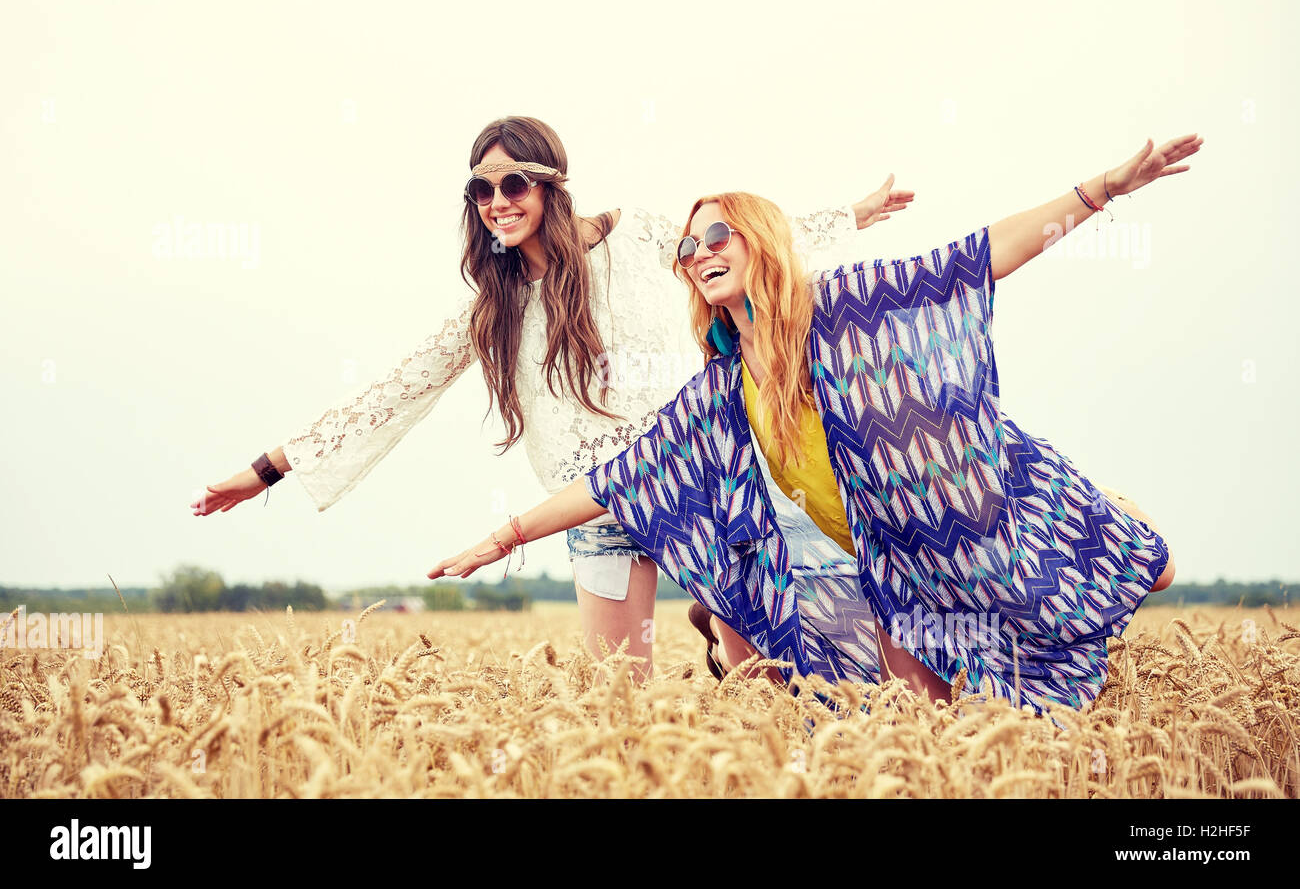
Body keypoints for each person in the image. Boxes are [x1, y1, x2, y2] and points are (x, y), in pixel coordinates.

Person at [428, 134, 1201, 715]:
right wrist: (506, 537)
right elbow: (619, 480)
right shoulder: (724, 387)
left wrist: (1103, 189)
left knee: (1145, 571)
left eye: (718, 236)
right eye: (687, 246)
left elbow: (974, 259)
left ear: (762, 243)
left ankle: (1114, 511)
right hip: (899, 569)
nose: (698, 253)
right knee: (927, 726)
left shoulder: (841, 306)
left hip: (987, 502)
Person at [190, 115, 912, 682]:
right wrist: (266, 469)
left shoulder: (638, 239)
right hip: (591, 505)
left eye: (513, 184)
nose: (497, 202)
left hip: (696, 483)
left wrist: (853, 214)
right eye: (481, 190)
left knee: (765, 685)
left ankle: (727, 649)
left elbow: (747, 243)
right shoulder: (491, 309)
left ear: (550, 185)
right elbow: (397, 390)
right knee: (615, 704)